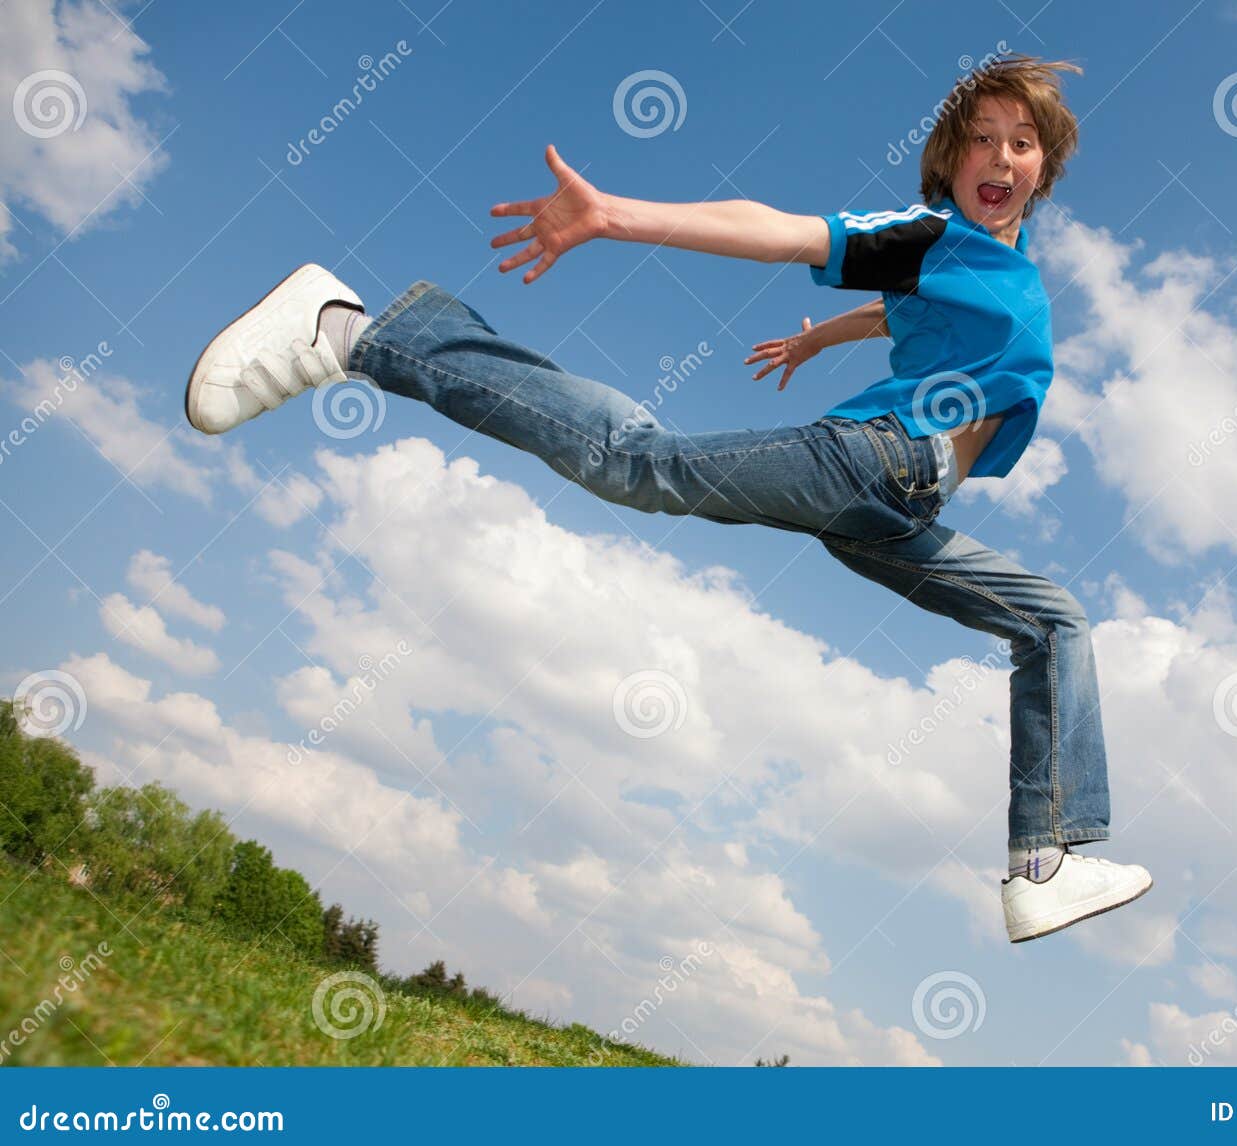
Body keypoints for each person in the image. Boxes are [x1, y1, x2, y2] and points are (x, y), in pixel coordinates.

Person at [183, 53, 1150, 944]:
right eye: (980, 138)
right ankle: (354, 332)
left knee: (1052, 621)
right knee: (636, 461)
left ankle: (1040, 862)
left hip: (899, 514)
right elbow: (781, 229)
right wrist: (617, 214)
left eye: (1020, 142)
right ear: (949, 162)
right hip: (876, 462)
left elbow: (897, 306)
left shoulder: (990, 269)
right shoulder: (935, 233)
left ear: (1044, 168)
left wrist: (819, 341)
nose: (1000, 155)